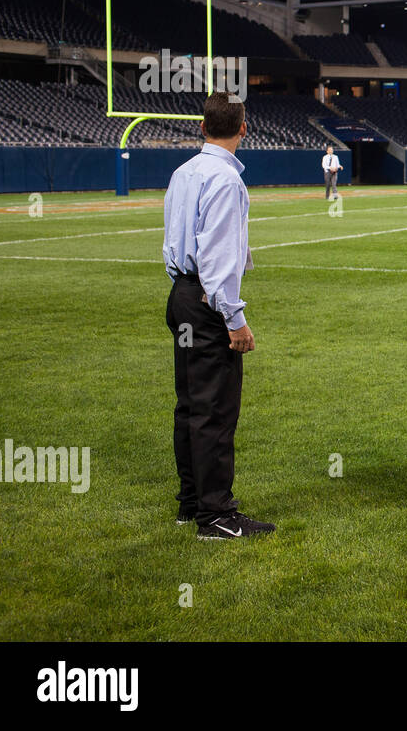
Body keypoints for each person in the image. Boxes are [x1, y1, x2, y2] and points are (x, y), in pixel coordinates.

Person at [162, 92, 274, 540]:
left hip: (182, 295)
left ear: (202, 126)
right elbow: (217, 260)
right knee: (214, 408)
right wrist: (234, 319)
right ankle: (215, 514)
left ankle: (192, 502)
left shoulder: (184, 172)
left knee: (189, 403)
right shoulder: (226, 181)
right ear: (242, 128)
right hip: (208, 302)